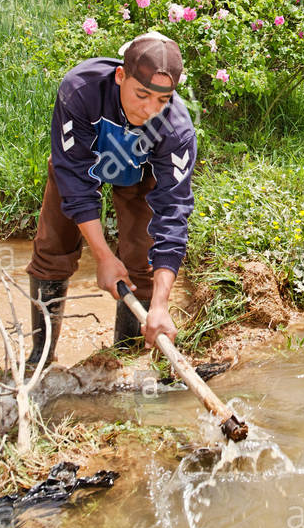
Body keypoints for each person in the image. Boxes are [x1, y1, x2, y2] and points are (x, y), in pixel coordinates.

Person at [24, 31, 196, 371]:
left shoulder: (176, 131)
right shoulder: (80, 90)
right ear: (120, 76)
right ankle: (40, 359)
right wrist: (102, 256)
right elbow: (74, 179)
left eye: (162, 100)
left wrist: (160, 304)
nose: (149, 109)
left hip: (141, 176)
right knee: (52, 248)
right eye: (141, 94)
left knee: (141, 262)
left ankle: (123, 360)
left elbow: (172, 214)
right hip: (81, 164)